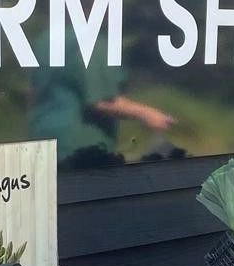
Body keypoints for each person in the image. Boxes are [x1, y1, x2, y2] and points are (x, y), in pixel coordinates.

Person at [29, 35, 175, 167]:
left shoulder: (45, 40)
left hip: (43, 140)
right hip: (80, 147)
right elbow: (102, 101)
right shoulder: (91, 42)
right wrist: (148, 114)